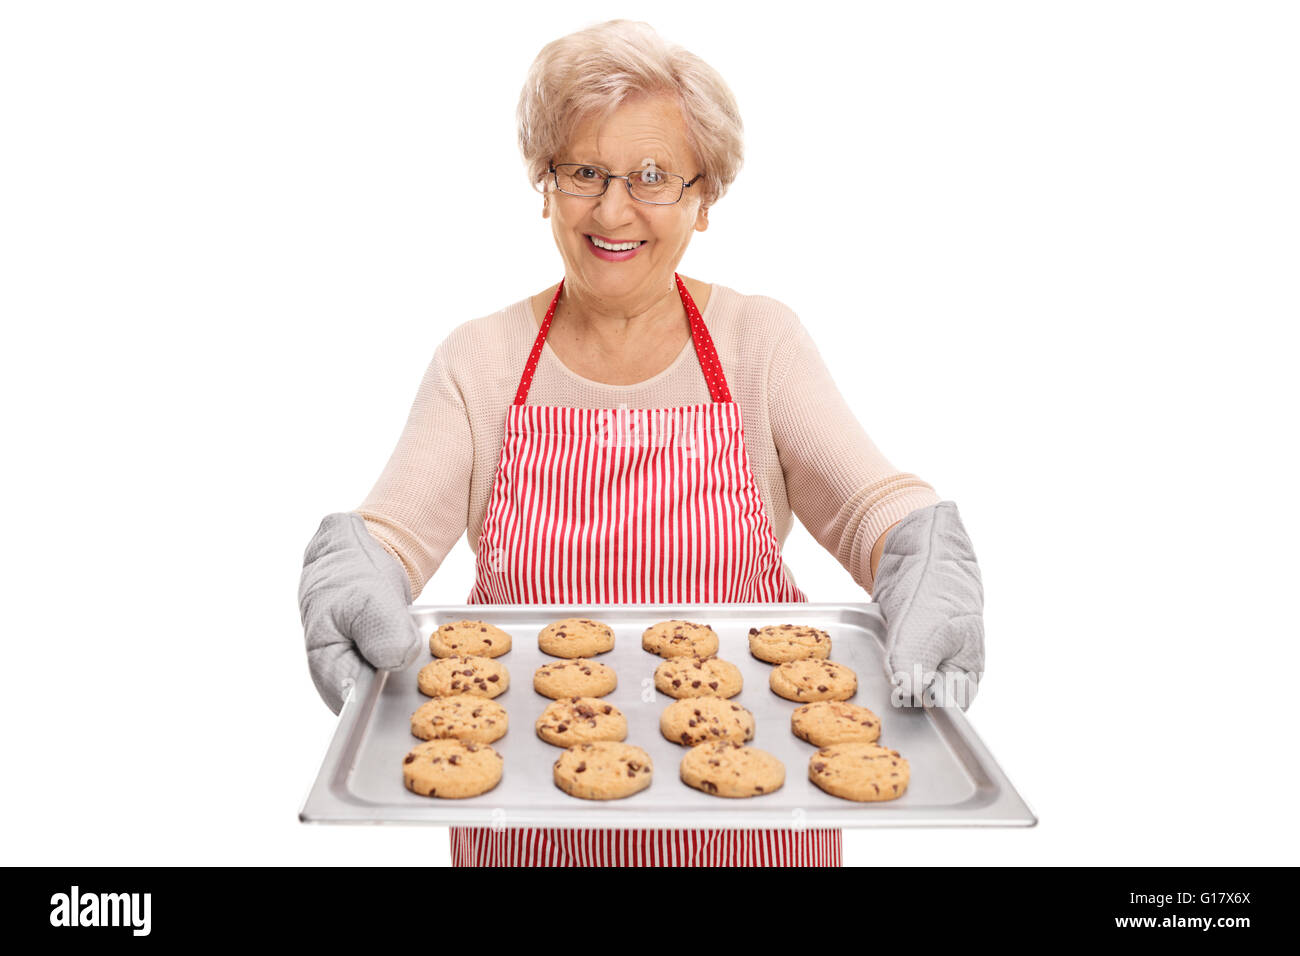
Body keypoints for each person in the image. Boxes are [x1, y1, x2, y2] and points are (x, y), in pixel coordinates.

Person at [298, 19, 985, 867]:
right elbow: (393, 536)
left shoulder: (756, 342)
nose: (614, 210)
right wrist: (353, 566)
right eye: (584, 171)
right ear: (544, 183)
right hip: (531, 832)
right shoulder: (481, 359)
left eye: (654, 177)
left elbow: (869, 504)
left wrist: (924, 551)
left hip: (753, 838)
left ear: (705, 199)